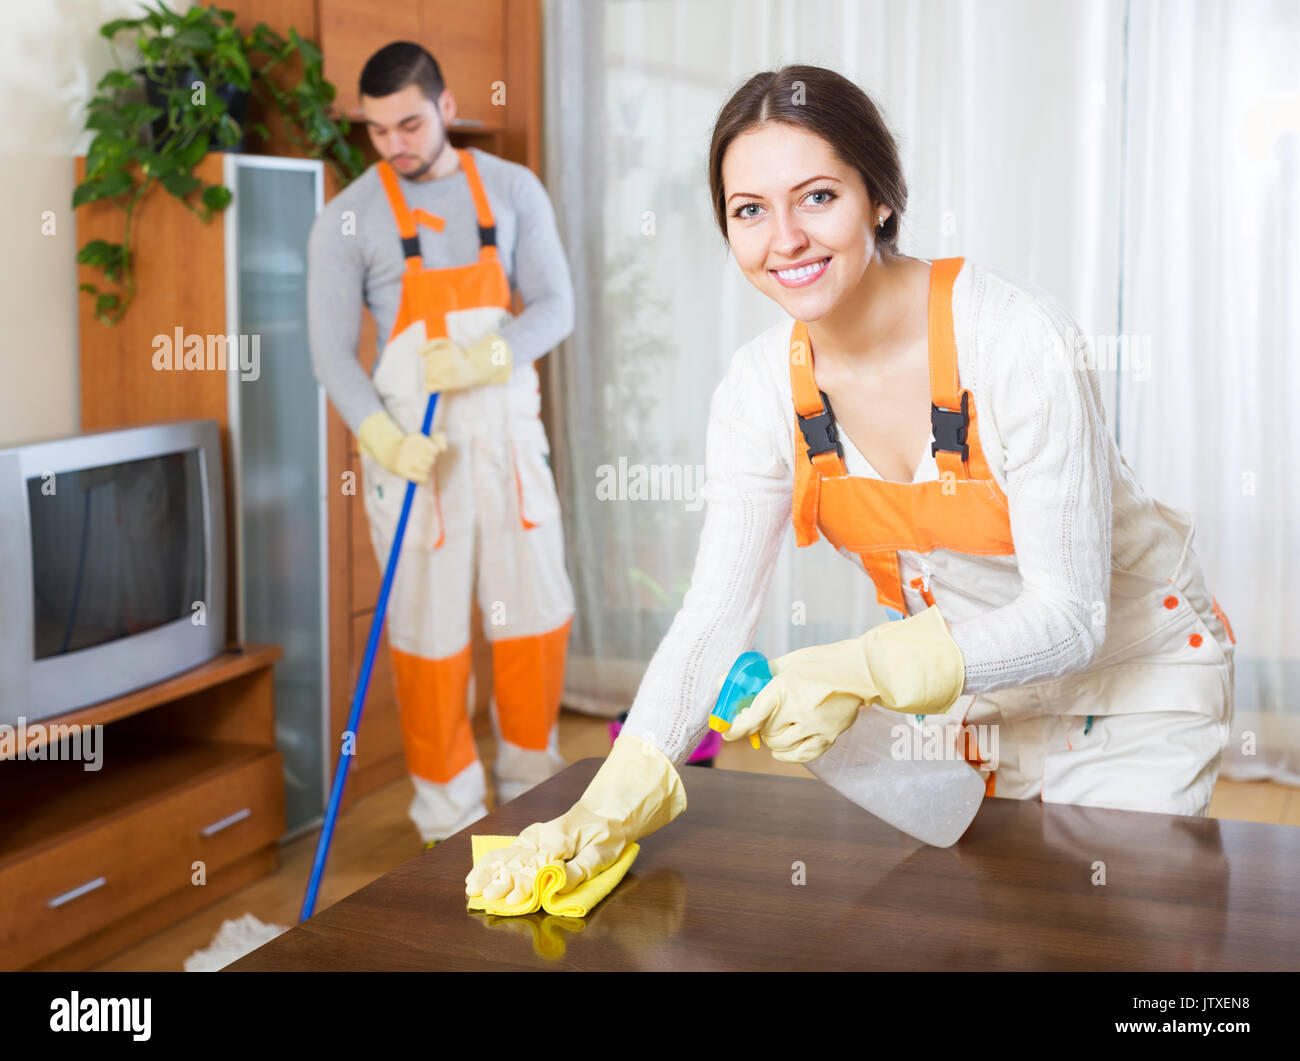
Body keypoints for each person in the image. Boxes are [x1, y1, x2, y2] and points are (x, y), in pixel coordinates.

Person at [466, 64, 1236, 906]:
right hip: (977, 702)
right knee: (999, 931)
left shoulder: (1015, 340)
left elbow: (1071, 617)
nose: (785, 239)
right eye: (749, 210)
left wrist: (863, 667)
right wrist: (619, 790)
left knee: (1106, 933)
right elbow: (713, 618)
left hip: (1136, 685)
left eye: (818, 197)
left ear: (881, 196)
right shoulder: (760, 389)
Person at [308, 42, 576, 847]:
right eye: (378, 130)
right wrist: (383, 437)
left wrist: (488, 355)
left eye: (411, 123)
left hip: (505, 442)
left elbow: (556, 307)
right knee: (430, 639)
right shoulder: (347, 217)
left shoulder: (512, 190)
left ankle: (536, 797)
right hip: (415, 461)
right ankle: (450, 824)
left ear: (447, 107)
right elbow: (329, 352)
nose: (396, 143)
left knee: (534, 617)